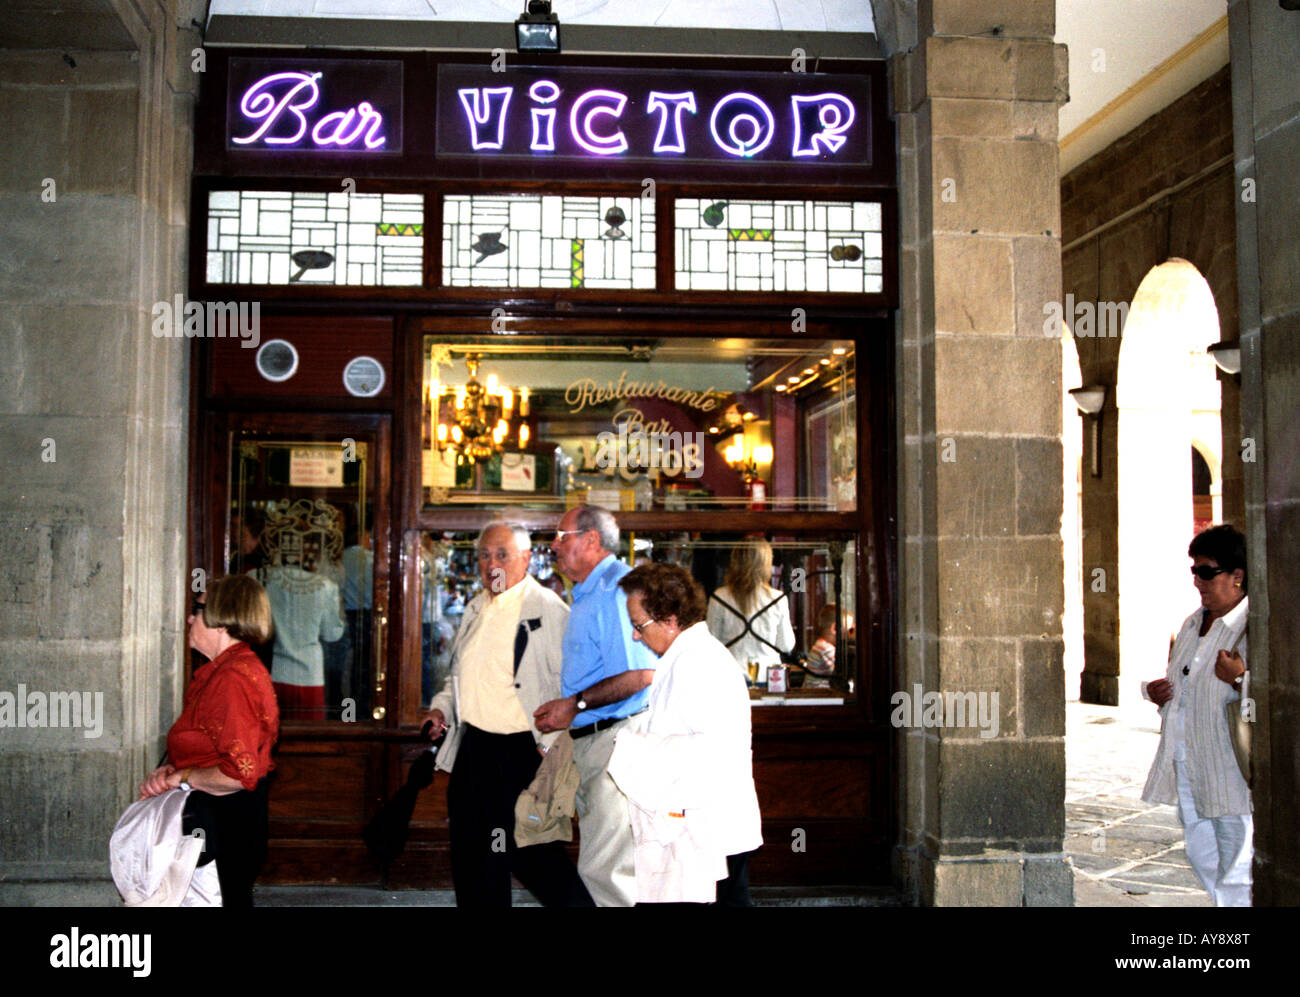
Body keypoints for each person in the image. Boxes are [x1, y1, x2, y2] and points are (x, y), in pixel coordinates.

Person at [424, 523, 593, 907]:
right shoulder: (476, 607)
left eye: (502, 554)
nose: (491, 563)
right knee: (473, 861)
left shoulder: (550, 611)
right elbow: (459, 676)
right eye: (484, 555)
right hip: (473, 751)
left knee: (536, 858)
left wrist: (549, 750)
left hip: (523, 754)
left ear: (527, 559)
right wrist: (441, 707)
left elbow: (573, 686)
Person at [606, 562, 763, 904]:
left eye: (639, 625)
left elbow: (710, 753)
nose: (636, 635)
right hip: (702, 829)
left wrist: (635, 749)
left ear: (671, 619)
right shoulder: (684, 657)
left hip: (709, 833)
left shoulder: (698, 663)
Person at [533, 505, 656, 907]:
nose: (554, 545)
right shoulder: (587, 593)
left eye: (561, 535)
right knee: (597, 864)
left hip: (614, 742)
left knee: (608, 872)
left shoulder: (617, 589)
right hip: (590, 743)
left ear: (591, 540)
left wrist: (575, 703)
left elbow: (639, 676)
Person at [137, 575, 280, 907]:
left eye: (198, 610)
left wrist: (180, 778)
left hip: (222, 828)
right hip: (223, 822)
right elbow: (212, 750)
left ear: (222, 621)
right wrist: (172, 773)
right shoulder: (227, 670)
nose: (189, 618)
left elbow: (238, 774)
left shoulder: (231, 679)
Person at [1141, 524, 1252, 907]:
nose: (1197, 581)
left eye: (1206, 571)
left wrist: (1240, 679)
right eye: (1194, 571)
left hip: (1229, 766)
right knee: (1201, 852)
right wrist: (1156, 692)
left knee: (1238, 862)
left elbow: (1276, 697)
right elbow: (1184, 686)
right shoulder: (1193, 622)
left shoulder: (1253, 627)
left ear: (1237, 576)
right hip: (1189, 759)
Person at [705, 538, 795, 683]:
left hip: (730, 675)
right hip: (769, 677)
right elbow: (785, 645)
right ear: (766, 563)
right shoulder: (777, 598)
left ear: (734, 561)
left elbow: (711, 642)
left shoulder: (720, 597)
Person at [807, 603, 838, 675]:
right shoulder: (826, 649)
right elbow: (842, 674)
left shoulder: (821, 645)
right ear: (835, 628)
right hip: (822, 686)